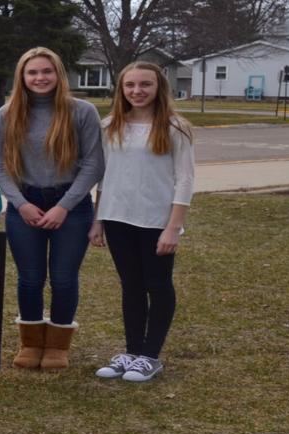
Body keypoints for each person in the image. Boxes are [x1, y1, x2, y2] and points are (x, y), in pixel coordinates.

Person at [0, 47, 105, 372]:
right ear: (22, 77)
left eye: (46, 71)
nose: (40, 78)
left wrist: (64, 206)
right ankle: (30, 342)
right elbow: (0, 165)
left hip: (71, 205)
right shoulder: (7, 113)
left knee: (63, 278)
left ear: (58, 74)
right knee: (29, 278)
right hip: (25, 204)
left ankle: (57, 345)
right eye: (32, 73)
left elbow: (93, 163)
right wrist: (20, 203)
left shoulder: (81, 111)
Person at [89, 63, 194, 383]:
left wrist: (173, 227)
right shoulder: (109, 126)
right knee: (131, 286)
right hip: (118, 218)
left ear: (158, 87)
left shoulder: (175, 128)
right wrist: (98, 220)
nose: (137, 91)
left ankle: (150, 356)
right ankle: (132, 352)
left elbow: (185, 179)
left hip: (155, 221)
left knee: (158, 285)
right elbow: (105, 178)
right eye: (130, 85)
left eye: (145, 84)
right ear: (121, 89)